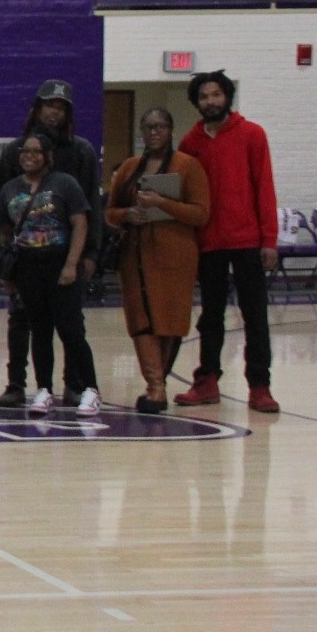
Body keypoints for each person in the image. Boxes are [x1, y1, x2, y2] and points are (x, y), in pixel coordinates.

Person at [0, 79, 101, 406]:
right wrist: (1, 262)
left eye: (61, 107)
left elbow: (90, 209)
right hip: (24, 258)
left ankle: (75, 384)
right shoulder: (14, 151)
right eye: (49, 105)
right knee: (22, 320)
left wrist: (90, 254)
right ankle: (17, 384)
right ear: (37, 108)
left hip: (66, 255)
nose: (54, 112)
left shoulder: (81, 151)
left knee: (70, 324)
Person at [175, 70, 280, 412]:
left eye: (216, 95)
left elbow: (264, 186)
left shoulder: (252, 134)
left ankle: (260, 386)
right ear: (196, 102)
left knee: (255, 315)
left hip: (247, 240)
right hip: (208, 242)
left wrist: (269, 238)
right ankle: (207, 381)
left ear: (227, 97)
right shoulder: (190, 143)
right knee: (210, 316)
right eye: (204, 97)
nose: (211, 102)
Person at [104, 108, 210, 414]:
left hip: (175, 255)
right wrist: (127, 214)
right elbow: (109, 212)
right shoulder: (129, 167)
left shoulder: (188, 166)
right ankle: (155, 387)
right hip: (134, 256)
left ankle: (157, 386)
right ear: (141, 132)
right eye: (148, 127)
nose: (154, 132)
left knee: (169, 320)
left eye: (160, 126)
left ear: (170, 130)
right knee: (141, 320)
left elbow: (201, 214)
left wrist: (163, 203)